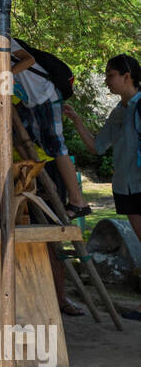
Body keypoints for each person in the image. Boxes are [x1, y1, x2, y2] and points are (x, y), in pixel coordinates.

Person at [0, 14, 91, 218]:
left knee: (57, 146)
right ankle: (47, 183)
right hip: (31, 104)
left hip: (46, 97)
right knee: (21, 137)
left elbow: (29, 60)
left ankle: (78, 200)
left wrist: (6, 72)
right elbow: (6, 89)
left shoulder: (3, 42)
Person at [64, 55, 141, 247]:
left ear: (127, 76)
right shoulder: (119, 111)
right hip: (127, 188)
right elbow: (96, 147)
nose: (106, 80)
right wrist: (77, 120)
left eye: (110, 75)